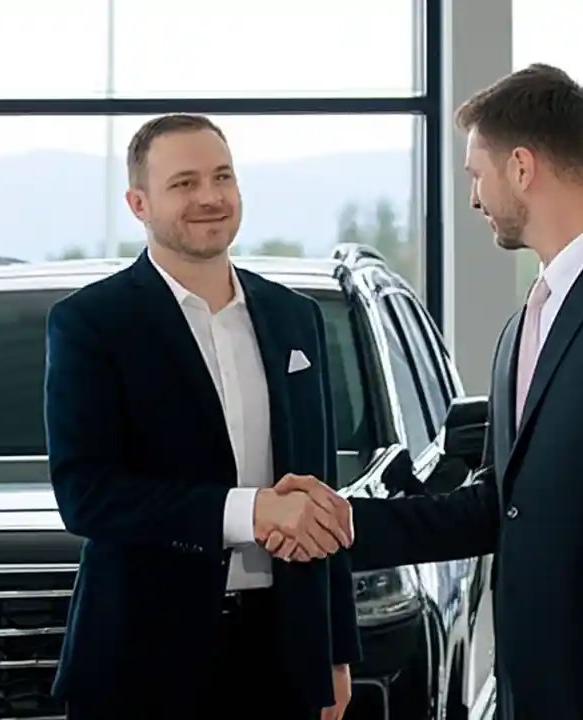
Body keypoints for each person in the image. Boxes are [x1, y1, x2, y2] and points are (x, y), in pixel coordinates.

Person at [270, 64, 583, 720]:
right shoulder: (523, 325)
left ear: (521, 167)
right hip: (533, 693)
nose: (473, 198)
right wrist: (345, 520)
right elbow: (498, 506)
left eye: (476, 173)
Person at [43, 113, 361, 720]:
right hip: (142, 662)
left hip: (281, 656)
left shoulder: (295, 318)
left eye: (222, 176)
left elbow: (321, 493)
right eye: (184, 183)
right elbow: (88, 495)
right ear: (139, 203)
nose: (210, 197)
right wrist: (250, 510)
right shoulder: (91, 324)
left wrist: (334, 650)